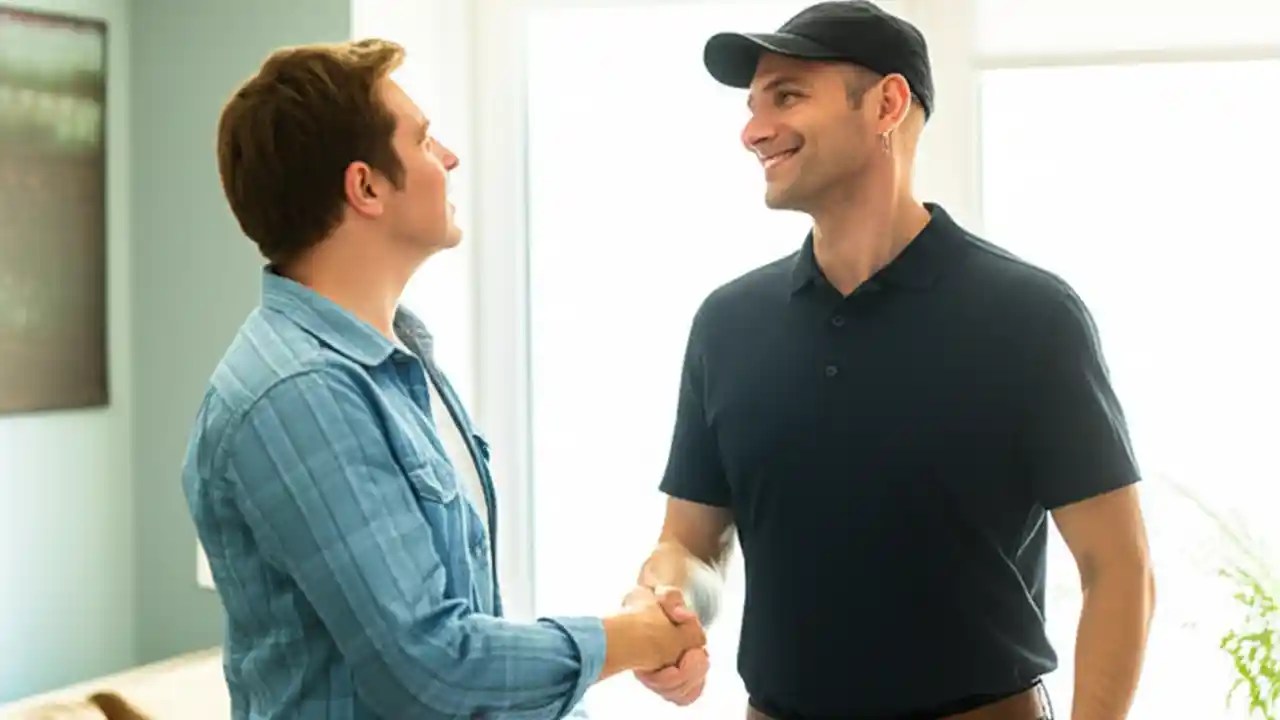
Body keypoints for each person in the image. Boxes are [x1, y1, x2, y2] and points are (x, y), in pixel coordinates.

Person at [628, 2, 1156, 719]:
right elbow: (692, 547)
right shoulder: (726, 323)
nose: (754, 129)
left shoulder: (1030, 318)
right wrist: (666, 604)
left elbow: (1117, 568)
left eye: (787, 96)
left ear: (887, 102)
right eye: (753, 106)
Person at [181, 38, 705, 719]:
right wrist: (628, 641)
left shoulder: (400, 356)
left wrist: (625, 652)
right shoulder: (299, 393)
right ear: (365, 186)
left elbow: (462, 650)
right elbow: (430, 665)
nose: (450, 158)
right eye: (425, 140)